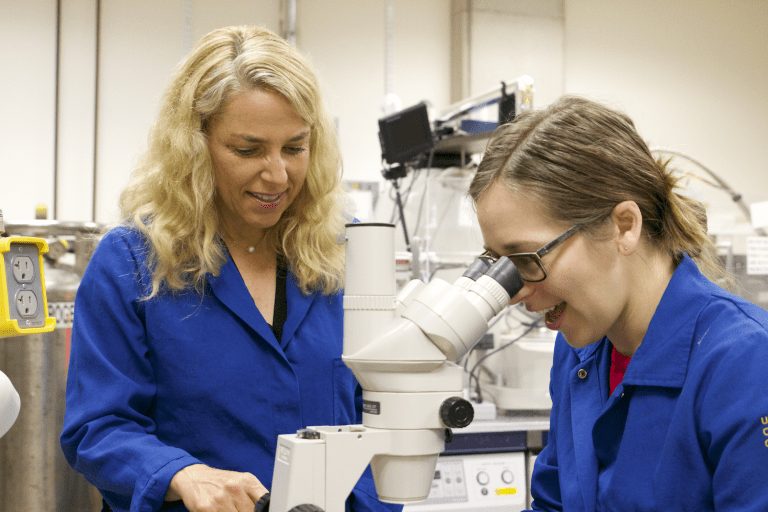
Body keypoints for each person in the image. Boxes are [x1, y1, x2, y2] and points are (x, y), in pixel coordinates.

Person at [60, 25, 400, 512]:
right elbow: (98, 428)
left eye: (294, 148)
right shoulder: (134, 262)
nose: (277, 175)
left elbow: (382, 414)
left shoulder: (346, 253)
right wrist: (181, 473)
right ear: (194, 146)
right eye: (248, 150)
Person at [468, 95, 768, 511]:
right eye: (497, 263)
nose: (515, 292)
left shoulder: (746, 363)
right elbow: (554, 503)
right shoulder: (579, 352)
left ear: (624, 226)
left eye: (526, 258)